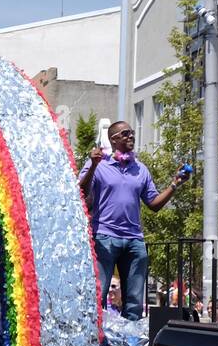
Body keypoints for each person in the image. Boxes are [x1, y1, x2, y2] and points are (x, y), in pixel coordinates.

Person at [78, 121, 185, 322]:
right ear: (113, 139)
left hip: (134, 240)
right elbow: (81, 193)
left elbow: (153, 204)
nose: (130, 137)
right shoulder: (99, 164)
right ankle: (99, 342)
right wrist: (92, 165)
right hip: (105, 237)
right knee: (99, 295)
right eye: (125, 133)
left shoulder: (140, 169)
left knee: (134, 300)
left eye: (132, 133)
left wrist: (174, 184)